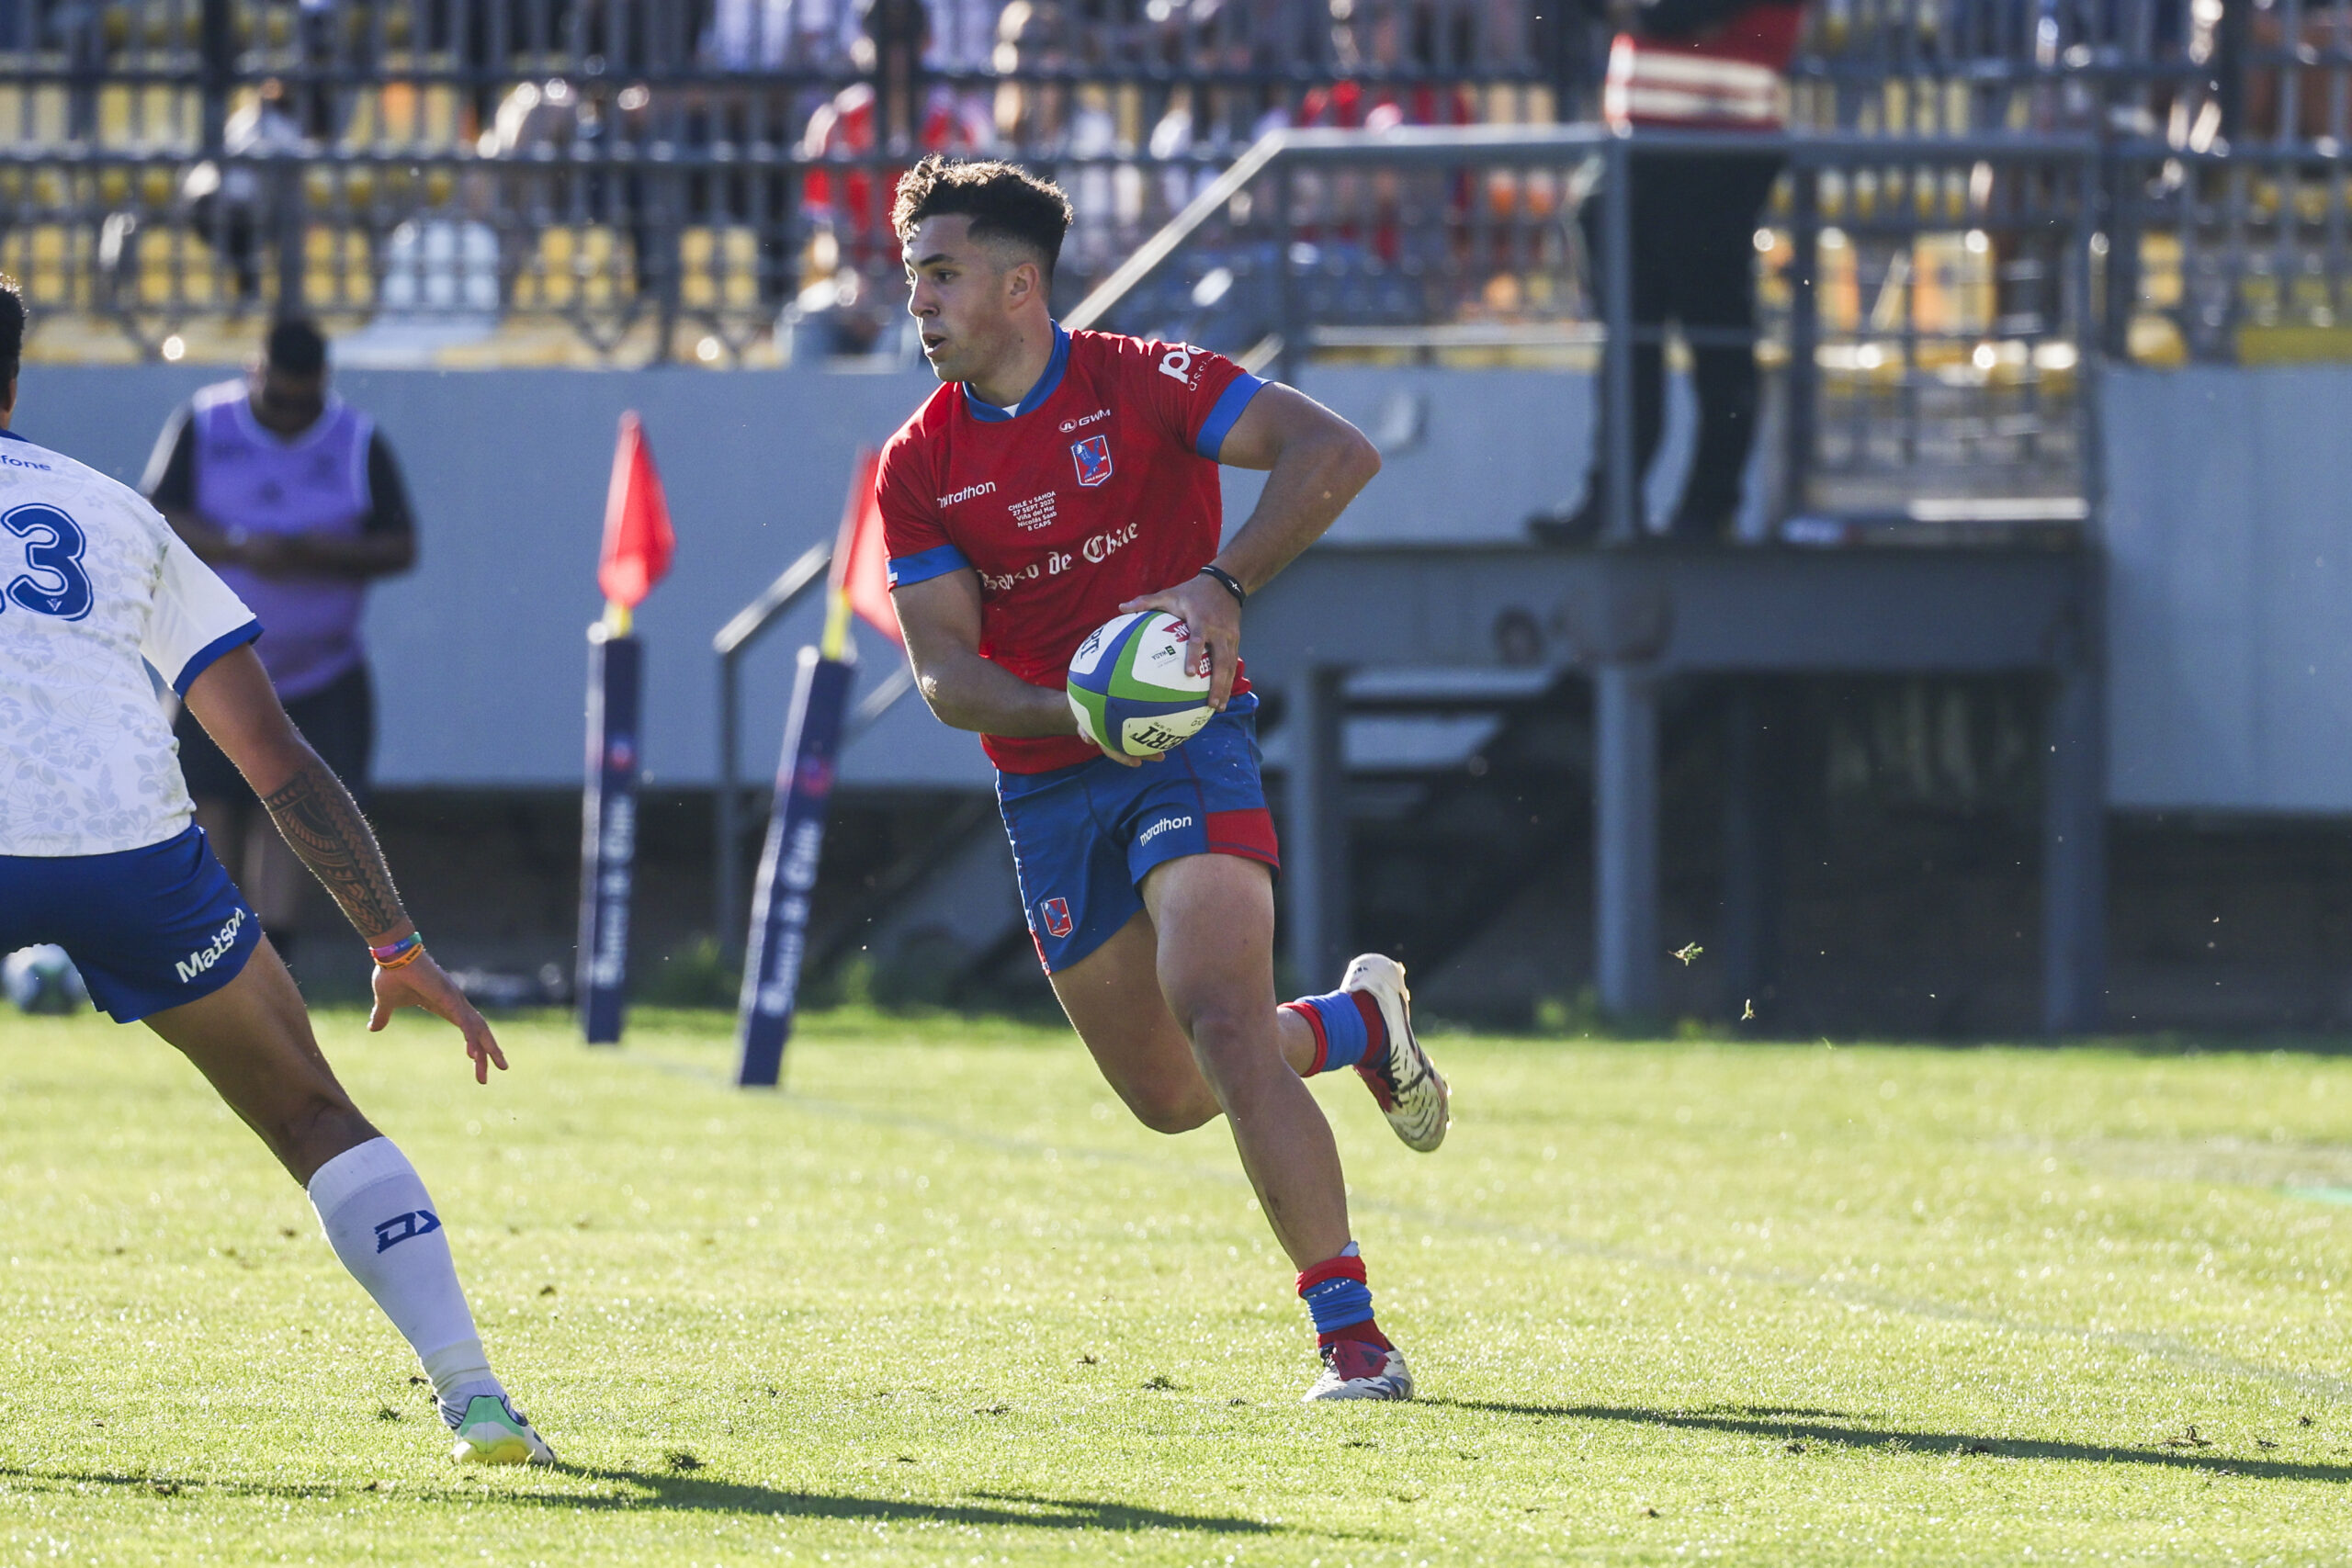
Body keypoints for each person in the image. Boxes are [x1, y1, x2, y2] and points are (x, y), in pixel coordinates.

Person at [876, 157, 1451, 1403]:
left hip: (1192, 739)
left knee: (1224, 1010)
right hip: (1048, 782)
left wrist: (1220, 584)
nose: (916, 301)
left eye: (941, 274)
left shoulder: (1142, 382)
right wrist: (1080, 710)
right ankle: (1358, 1022)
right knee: (1175, 1092)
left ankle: (1353, 1339)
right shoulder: (917, 464)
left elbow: (1331, 451)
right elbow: (943, 674)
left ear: (1021, 285)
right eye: (912, 275)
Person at [0, 278, 554, 1467]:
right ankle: (476, 1393)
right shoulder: (117, 514)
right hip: (130, 852)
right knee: (312, 1109)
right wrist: (397, 941)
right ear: (14, 384)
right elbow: (273, 754)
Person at [142, 317, 416, 973]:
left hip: (322, 667)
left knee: (299, 809)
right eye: (280, 398)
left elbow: (400, 543)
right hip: (213, 661)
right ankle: (211, 949)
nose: (292, 414)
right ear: (254, 373)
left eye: (305, 401)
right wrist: (240, 543)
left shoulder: (356, 439)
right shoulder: (205, 423)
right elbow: (154, 514)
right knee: (208, 808)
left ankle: (276, 958)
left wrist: (326, 552)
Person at [1529, 0, 1805, 546]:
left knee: (1718, 343)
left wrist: (1630, 13)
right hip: (1633, 153)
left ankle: (1708, 508)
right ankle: (1611, 498)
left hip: (1718, 159)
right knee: (1629, 345)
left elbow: (1683, 13)